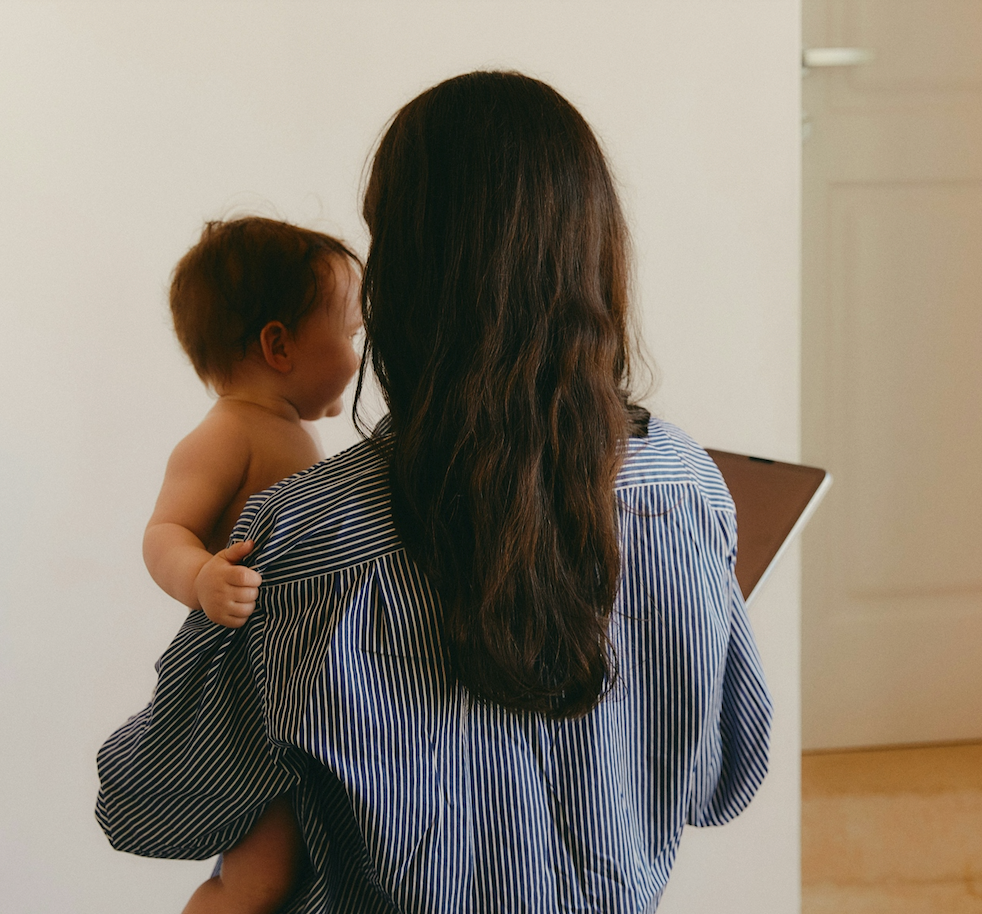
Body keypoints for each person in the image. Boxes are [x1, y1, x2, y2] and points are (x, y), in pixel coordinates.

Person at [97, 72, 772, 912]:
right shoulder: (688, 491)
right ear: (595, 254)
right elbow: (722, 778)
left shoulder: (309, 538)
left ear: (409, 276)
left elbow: (149, 805)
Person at [137, 216, 363, 913]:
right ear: (279, 345)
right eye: (353, 332)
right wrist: (200, 577)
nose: (362, 349)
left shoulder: (295, 433)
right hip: (253, 699)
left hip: (305, 693)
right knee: (260, 877)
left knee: (311, 862)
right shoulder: (228, 432)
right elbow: (164, 531)